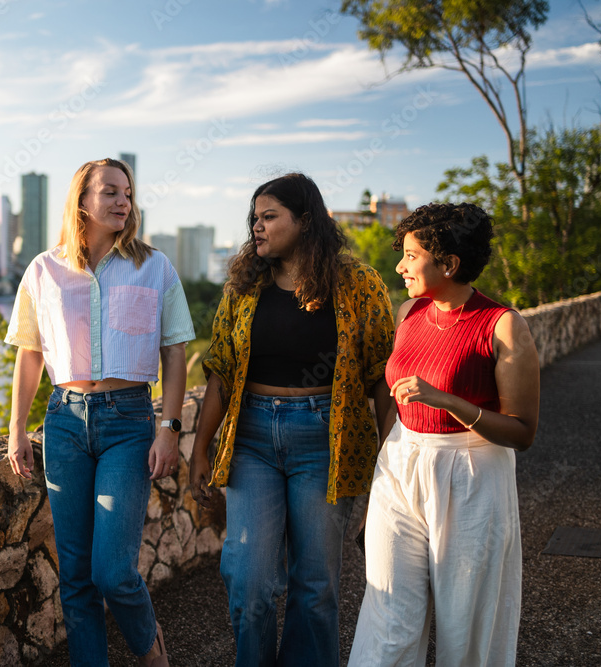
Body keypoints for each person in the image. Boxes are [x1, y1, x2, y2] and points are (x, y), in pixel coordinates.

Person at [188, 172, 395, 665]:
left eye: (269, 217)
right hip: (253, 439)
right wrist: (200, 448)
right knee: (249, 577)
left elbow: (381, 379)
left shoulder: (358, 285)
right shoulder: (244, 285)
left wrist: (389, 468)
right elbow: (220, 369)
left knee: (316, 586)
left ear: (305, 221)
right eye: (254, 219)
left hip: (326, 439)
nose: (256, 227)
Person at [4, 158, 195, 667]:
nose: (122, 202)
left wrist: (169, 427)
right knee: (77, 576)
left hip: (130, 424)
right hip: (64, 421)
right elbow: (29, 352)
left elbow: (175, 352)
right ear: (81, 201)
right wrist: (16, 427)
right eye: (109, 191)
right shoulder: (43, 269)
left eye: (127, 193)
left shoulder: (155, 266)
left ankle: (151, 649)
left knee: (113, 571)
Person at [348, 202, 540, 666]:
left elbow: (522, 432)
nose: (400, 266)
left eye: (411, 256)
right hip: (400, 466)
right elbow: (397, 406)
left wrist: (450, 401)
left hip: (473, 476)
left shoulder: (503, 325)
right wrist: (377, 495)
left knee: (466, 628)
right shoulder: (408, 313)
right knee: (388, 618)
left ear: (449, 264)